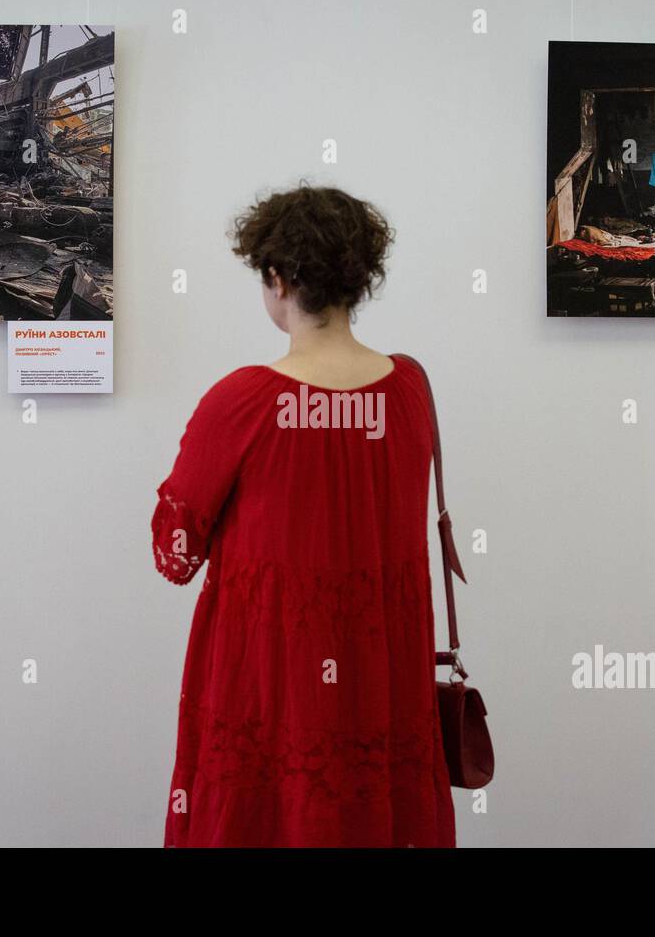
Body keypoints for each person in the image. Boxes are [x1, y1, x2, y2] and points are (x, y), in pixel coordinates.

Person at [151, 184, 456, 847]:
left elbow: (175, 554)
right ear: (359, 278)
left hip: (271, 683)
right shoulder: (411, 392)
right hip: (380, 684)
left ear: (277, 277)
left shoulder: (241, 402)